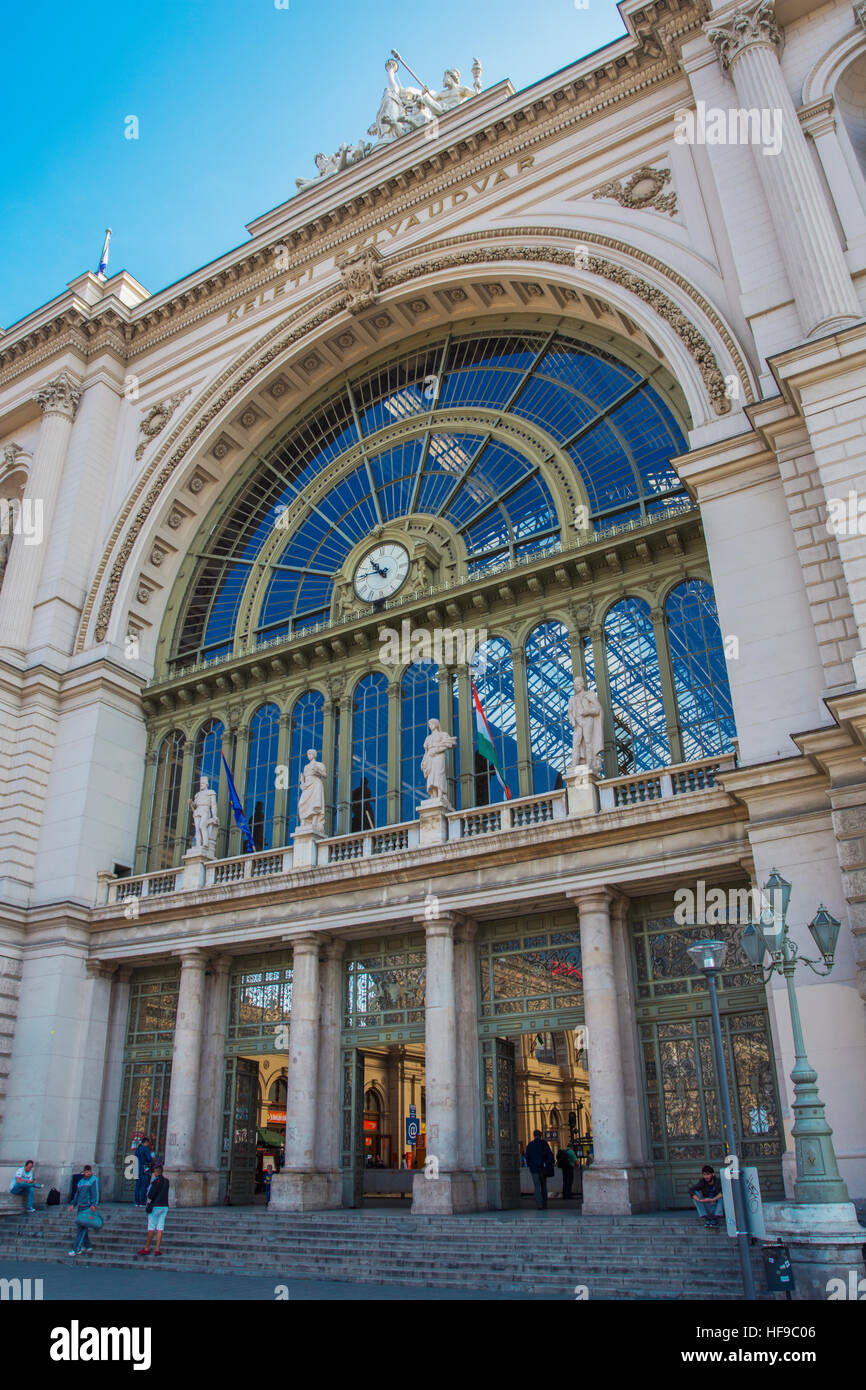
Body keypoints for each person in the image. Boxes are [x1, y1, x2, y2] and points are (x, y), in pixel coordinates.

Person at [137, 1164, 170, 1257]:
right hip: (164, 1206)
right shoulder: (166, 1181)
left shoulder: (155, 1182)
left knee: (151, 1227)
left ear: (156, 1172)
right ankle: (157, 1249)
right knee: (160, 1228)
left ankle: (147, 1248)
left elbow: (150, 1195)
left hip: (155, 1206)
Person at [68, 1164, 100, 1257]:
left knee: (81, 1229)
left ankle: (76, 1249)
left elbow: (95, 1193)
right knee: (82, 1228)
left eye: (88, 1172)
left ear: (91, 1171)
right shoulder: (81, 1182)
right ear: (84, 1172)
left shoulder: (94, 1180)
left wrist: (94, 1204)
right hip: (80, 1207)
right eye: (86, 1172)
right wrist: (73, 1204)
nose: (87, 1173)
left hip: (87, 1208)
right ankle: (87, 1245)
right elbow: (77, 1194)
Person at [524, 1129, 555, 1211]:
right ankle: (545, 1203)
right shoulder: (544, 1143)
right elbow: (550, 1155)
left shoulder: (530, 1145)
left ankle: (539, 1204)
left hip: (534, 1169)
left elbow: (527, 1157)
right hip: (543, 1168)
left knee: (537, 1186)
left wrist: (530, 1165)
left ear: (534, 1135)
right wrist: (549, 1163)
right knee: (544, 1186)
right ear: (540, 1135)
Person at [134, 1134, 153, 1208]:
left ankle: (136, 1202)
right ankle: (142, 1202)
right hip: (144, 1169)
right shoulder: (146, 1149)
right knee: (144, 1186)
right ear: (146, 1142)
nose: (148, 1144)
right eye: (148, 1143)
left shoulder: (137, 1149)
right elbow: (149, 1159)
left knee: (137, 1186)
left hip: (137, 1169)